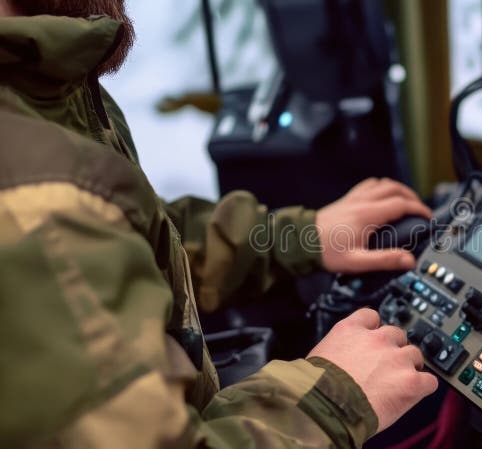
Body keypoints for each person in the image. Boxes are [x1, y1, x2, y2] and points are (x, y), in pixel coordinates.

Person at [0, 1, 439, 448]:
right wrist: (332, 398)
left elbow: (132, 233)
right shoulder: (32, 199)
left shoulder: (43, 85)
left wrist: (292, 238)